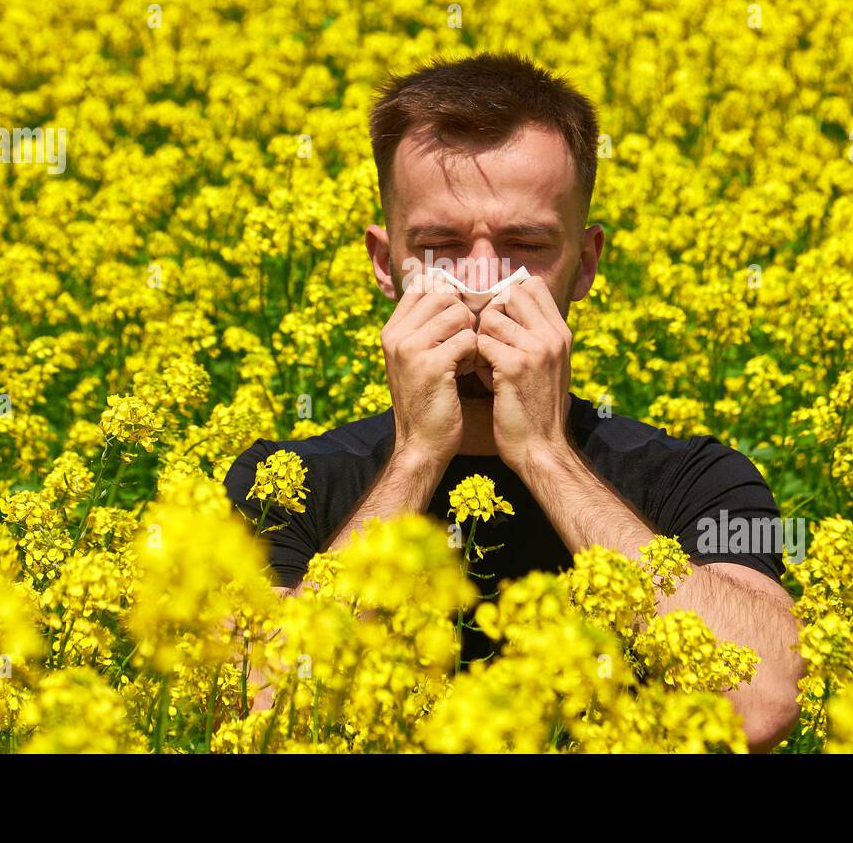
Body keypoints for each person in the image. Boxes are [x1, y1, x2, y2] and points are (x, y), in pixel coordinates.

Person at [224, 52, 804, 752]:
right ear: (385, 263)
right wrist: (416, 458)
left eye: (524, 245)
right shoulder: (286, 482)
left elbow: (760, 708)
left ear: (586, 264)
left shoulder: (693, 481)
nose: (481, 283)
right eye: (440, 246)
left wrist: (544, 455)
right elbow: (256, 713)